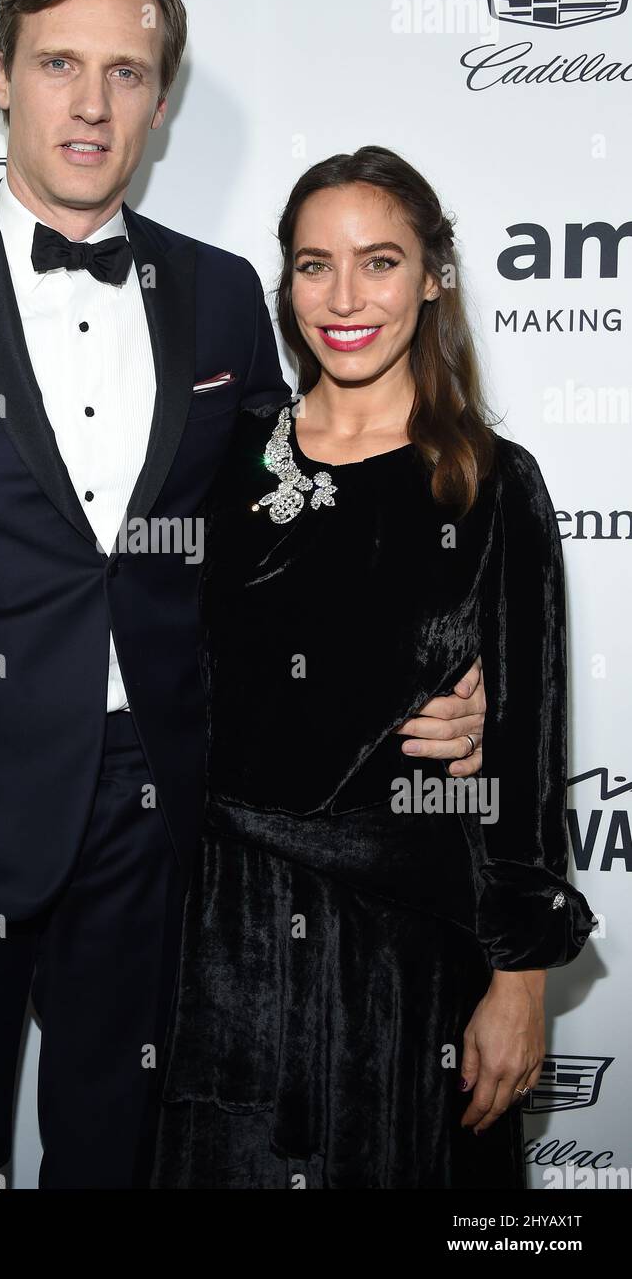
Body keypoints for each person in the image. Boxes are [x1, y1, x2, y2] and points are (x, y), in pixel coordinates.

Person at [0, 0, 487, 1190]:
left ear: (161, 97)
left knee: (122, 1169)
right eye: (58, 63)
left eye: (126, 72)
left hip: (160, 826)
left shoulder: (218, 298)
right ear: (0, 74)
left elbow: (289, 542)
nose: (91, 104)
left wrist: (427, 676)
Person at [151, 146, 597, 1190]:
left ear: (434, 275)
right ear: (285, 285)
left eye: (379, 262)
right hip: (219, 939)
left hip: (408, 957)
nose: (344, 298)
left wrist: (520, 978)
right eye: (313, 265)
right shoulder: (221, 459)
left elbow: (525, 762)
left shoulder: (490, 485)